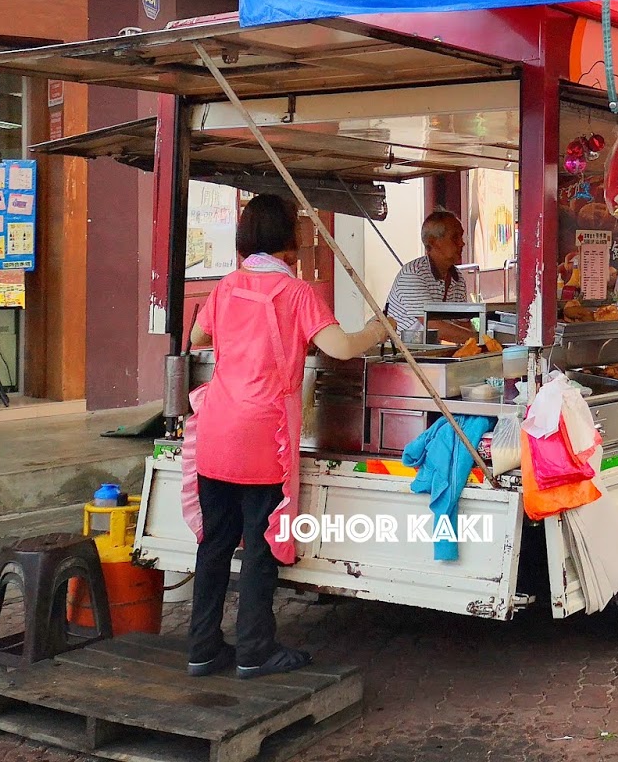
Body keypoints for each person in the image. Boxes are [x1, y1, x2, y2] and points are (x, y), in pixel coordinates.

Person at [185, 194, 389, 679]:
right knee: (258, 545)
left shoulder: (226, 287)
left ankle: (203, 648)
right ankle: (255, 650)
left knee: (214, 544)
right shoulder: (296, 293)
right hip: (263, 437)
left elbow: (197, 340)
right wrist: (376, 331)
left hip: (215, 433)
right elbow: (338, 347)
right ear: (289, 242)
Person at [385, 209, 476, 343]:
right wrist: (483, 340)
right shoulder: (413, 275)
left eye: (461, 237)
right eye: (455, 237)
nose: (462, 243)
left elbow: (463, 324)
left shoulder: (457, 279)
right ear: (433, 242)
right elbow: (433, 325)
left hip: (430, 352)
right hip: (399, 355)